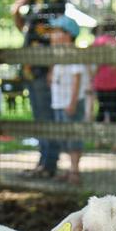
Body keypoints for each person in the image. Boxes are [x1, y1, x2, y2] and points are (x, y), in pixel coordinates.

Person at [12, 0, 66, 178]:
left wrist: (53, 67)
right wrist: (15, 11)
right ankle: (43, 161)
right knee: (39, 117)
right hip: (29, 67)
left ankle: (50, 163)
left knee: (47, 117)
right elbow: (26, 30)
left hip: (45, 67)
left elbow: (57, 35)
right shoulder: (30, 0)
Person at [48, 15, 86, 185]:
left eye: (56, 32)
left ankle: (75, 171)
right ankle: (68, 170)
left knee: (73, 136)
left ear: (68, 34)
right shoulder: (58, 55)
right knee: (63, 137)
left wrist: (72, 102)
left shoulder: (73, 53)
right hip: (58, 101)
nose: (52, 36)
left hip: (71, 102)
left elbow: (77, 79)